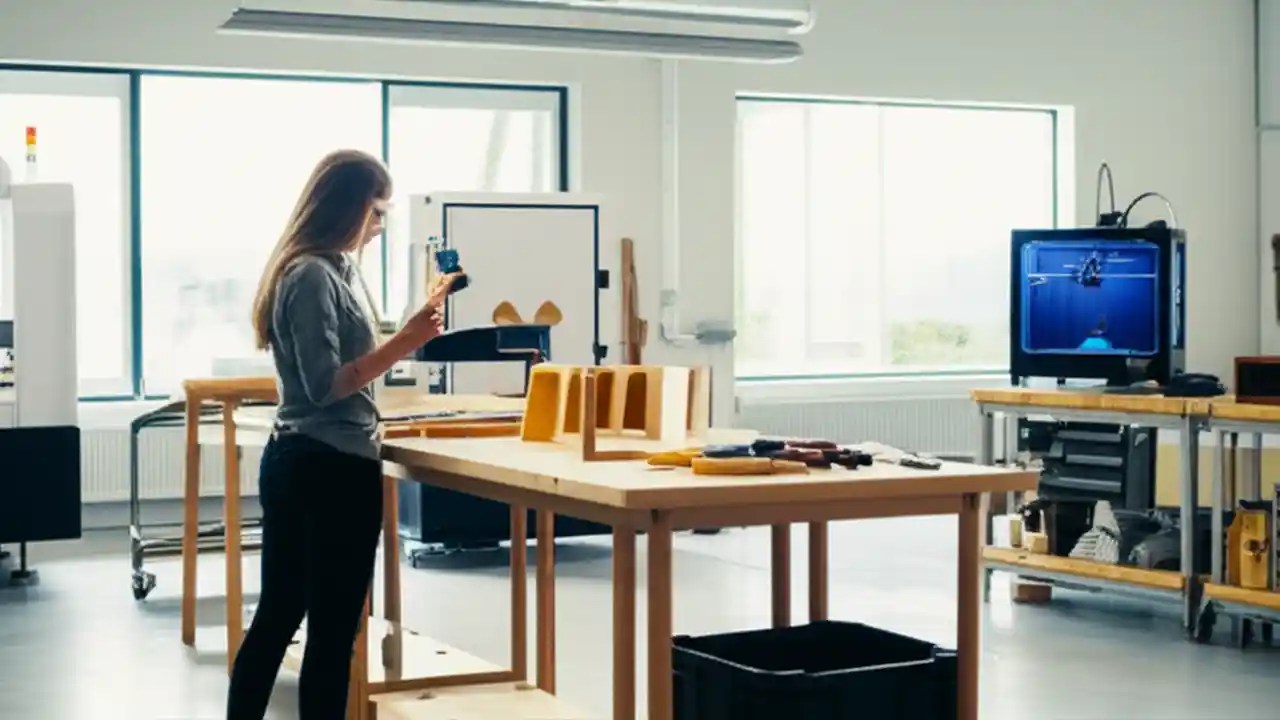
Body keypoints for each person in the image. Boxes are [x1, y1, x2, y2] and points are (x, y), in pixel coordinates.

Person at [228, 149, 457, 719]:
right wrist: (406, 342)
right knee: (321, 631)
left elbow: (355, 365)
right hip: (325, 466)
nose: (380, 225)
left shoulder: (338, 270)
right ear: (350, 207)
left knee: (291, 619)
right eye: (377, 211)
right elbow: (327, 384)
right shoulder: (309, 274)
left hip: (317, 460)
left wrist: (409, 331)